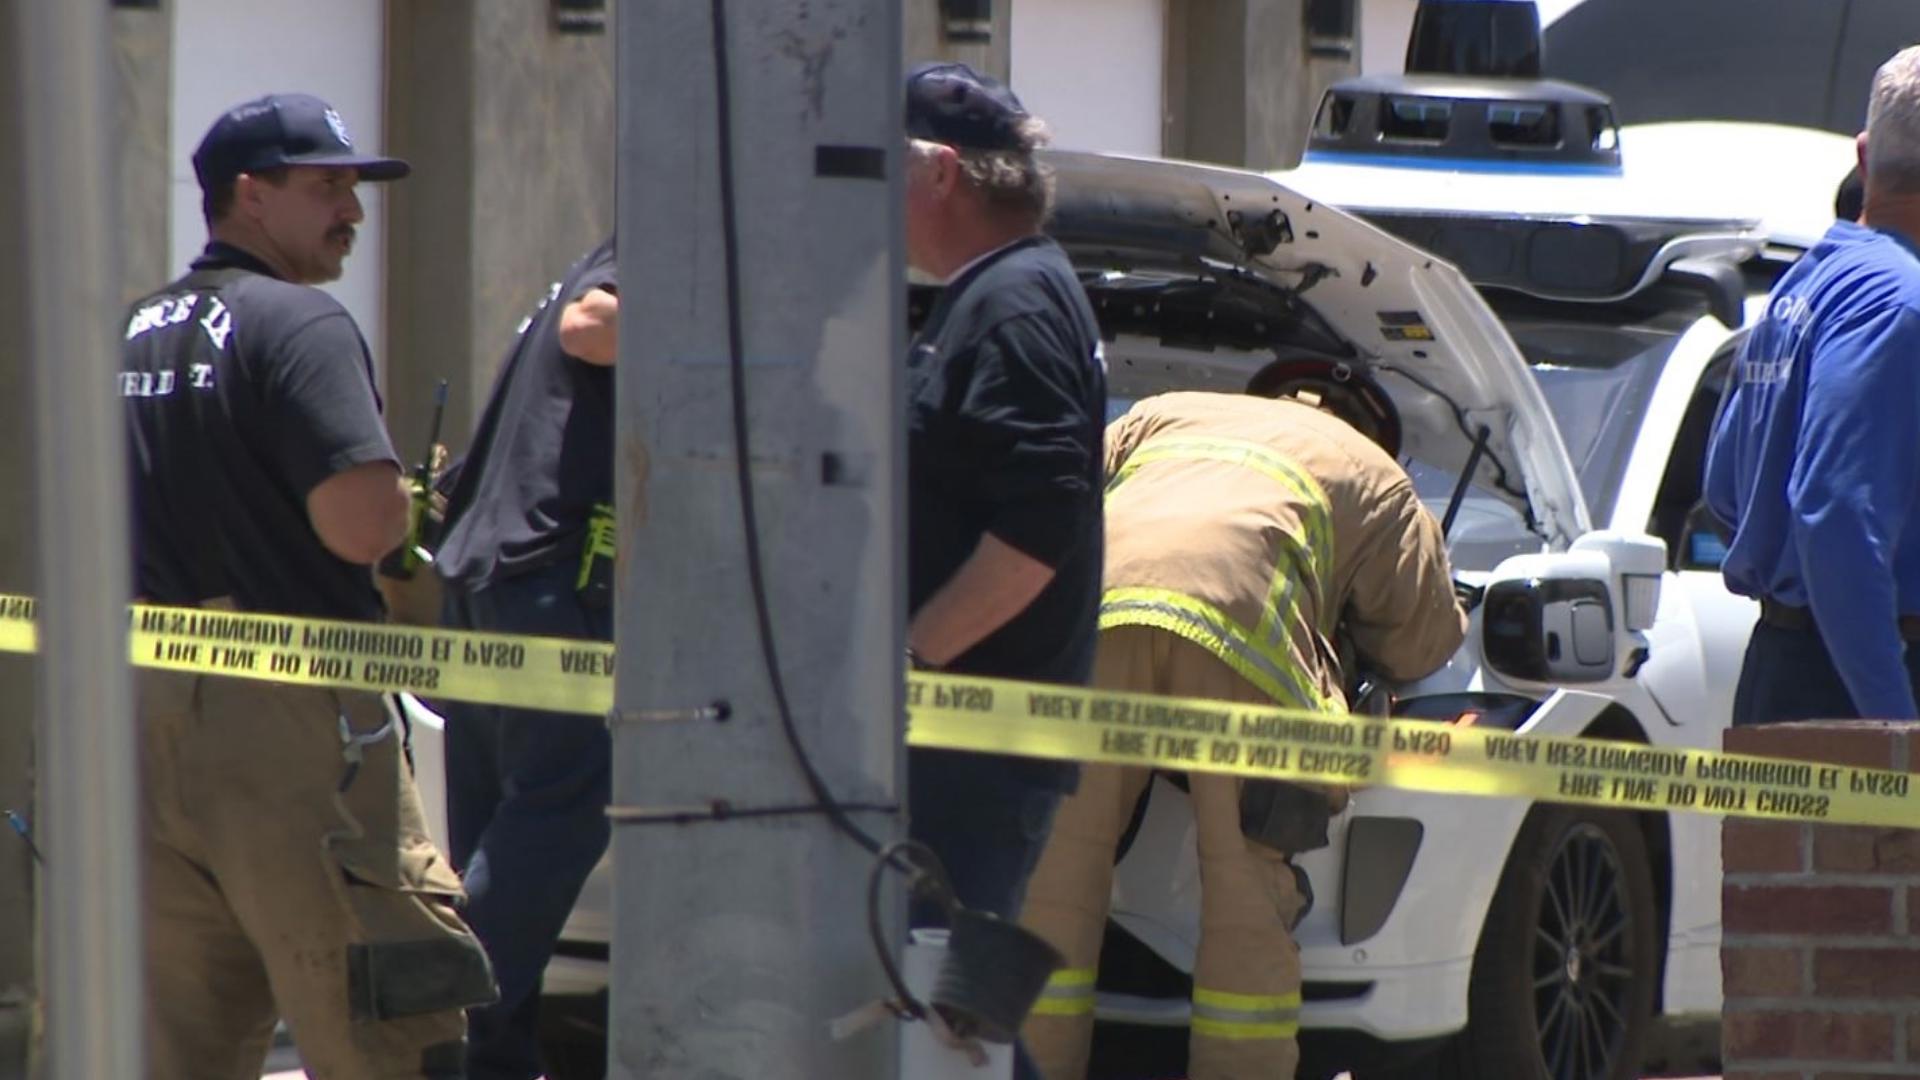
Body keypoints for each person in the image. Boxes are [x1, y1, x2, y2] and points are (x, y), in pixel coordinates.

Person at [122, 93, 494, 1080]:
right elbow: (360, 525)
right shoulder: (300, 324)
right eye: (327, 186)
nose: (353, 212)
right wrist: (412, 508)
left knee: (168, 1044)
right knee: (388, 1017)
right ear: (249, 195)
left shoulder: (127, 334)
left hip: (131, 713)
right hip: (287, 718)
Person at [1020, 369, 1468, 1080]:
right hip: (1244, 655)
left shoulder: (1161, 413)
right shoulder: (1374, 472)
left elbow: (1055, 506)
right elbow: (1419, 645)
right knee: (1242, 892)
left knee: (1054, 879)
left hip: (1095, 624)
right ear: (1369, 423)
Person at [901, 60, 1106, 1068]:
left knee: (949, 1018)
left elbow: (1037, 531)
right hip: (958, 734)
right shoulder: (996, 295)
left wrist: (910, 656)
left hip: (970, 737)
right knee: (945, 1012)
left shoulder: (1016, 304)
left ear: (940, 171)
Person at [432, 236, 617, 1080]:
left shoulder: (590, 256)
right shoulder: (667, 242)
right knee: (561, 806)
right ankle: (430, 1027)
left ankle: (485, 1062)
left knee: (494, 841)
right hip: (540, 580)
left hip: (483, 578)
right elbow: (594, 328)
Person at [1705, 45, 1920, 726]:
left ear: (1864, 157)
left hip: (1786, 668)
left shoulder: (1806, 281)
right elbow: (1834, 515)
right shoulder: (1900, 303)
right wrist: (1898, 731)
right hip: (1863, 685)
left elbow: (1725, 489)